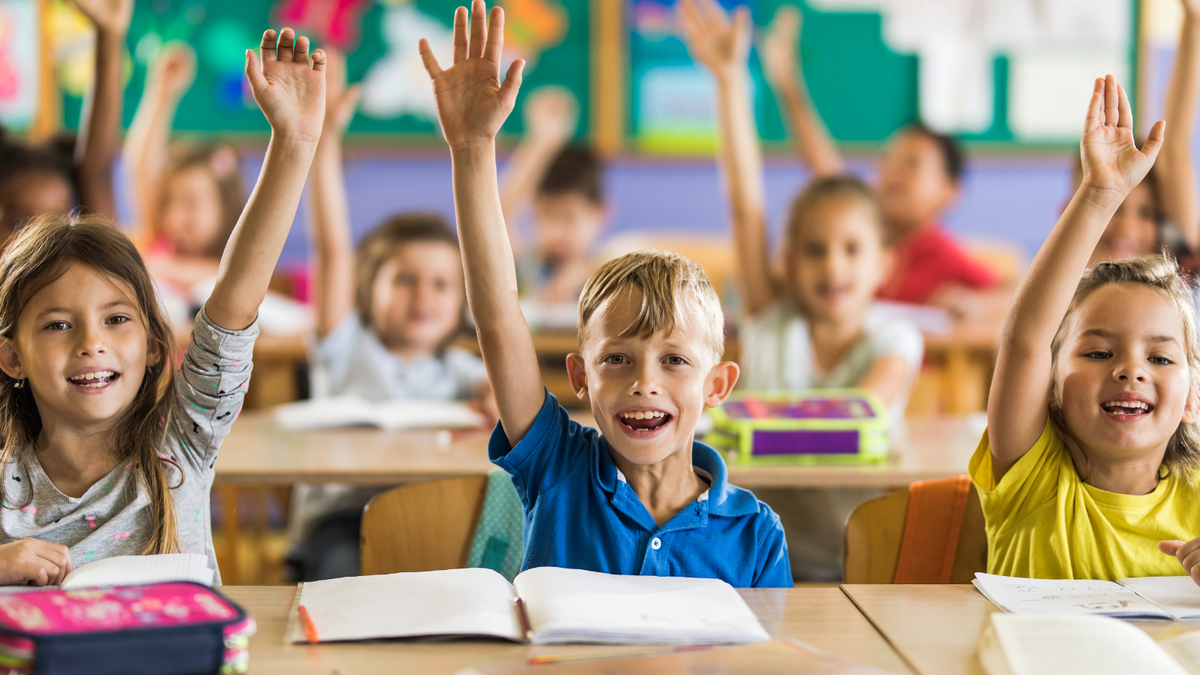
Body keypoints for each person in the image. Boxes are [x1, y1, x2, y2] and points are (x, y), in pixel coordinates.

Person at [420, 0, 791, 587]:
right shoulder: (555, 465)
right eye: (616, 359)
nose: (644, 382)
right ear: (580, 375)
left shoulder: (756, 533)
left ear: (717, 385)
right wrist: (471, 151)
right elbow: (497, 318)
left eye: (675, 360)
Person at [0, 27, 326, 585]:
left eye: (117, 318)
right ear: (11, 357)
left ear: (155, 347)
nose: (91, 342)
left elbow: (235, 296)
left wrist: (293, 144)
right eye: (57, 324)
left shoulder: (182, 441)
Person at [678, 0, 922, 581]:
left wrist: (746, 419)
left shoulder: (896, 338)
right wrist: (731, 81)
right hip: (755, 559)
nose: (832, 266)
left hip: (860, 563)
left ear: (884, 263)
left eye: (852, 250)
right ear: (787, 261)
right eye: (813, 250)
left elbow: (860, 414)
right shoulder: (773, 315)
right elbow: (746, 208)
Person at [973, 74, 1200, 584]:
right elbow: (1025, 341)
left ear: (1193, 399)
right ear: (1049, 388)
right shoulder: (1031, 474)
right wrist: (1100, 193)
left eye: (1161, 358)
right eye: (1097, 353)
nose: (1130, 371)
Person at [289, 49, 493, 580]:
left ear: (460, 302)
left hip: (432, 517)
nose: (422, 295)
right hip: (342, 521)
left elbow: (496, 394)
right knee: (340, 586)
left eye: (442, 284)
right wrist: (326, 140)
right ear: (367, 285)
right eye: (403, 279)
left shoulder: (457, 369)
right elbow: (333, 249)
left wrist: (491, 399)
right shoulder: (346, 341)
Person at [759, 6, 1000, 319]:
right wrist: (788, 84)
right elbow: (825, 170)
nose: (892, 172)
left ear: (949, 191)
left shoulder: (944, 255)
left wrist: (975, 303)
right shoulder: (856, 234)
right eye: (887, 159)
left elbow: (1012, 292)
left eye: (912, 164)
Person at [0, 0, 129, 245]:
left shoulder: (74, 269)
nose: (37, 240)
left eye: (58, 224)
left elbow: (97, 172)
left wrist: (109, 34)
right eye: (18, 223)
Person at [499, 87, 607, 304]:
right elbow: (500, 212)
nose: (556, 232)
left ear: (600, 213)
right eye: (545, 216)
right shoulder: (529, 267)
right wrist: (540, 143)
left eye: (568, 217)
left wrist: (585, 271)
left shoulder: (605, 269)